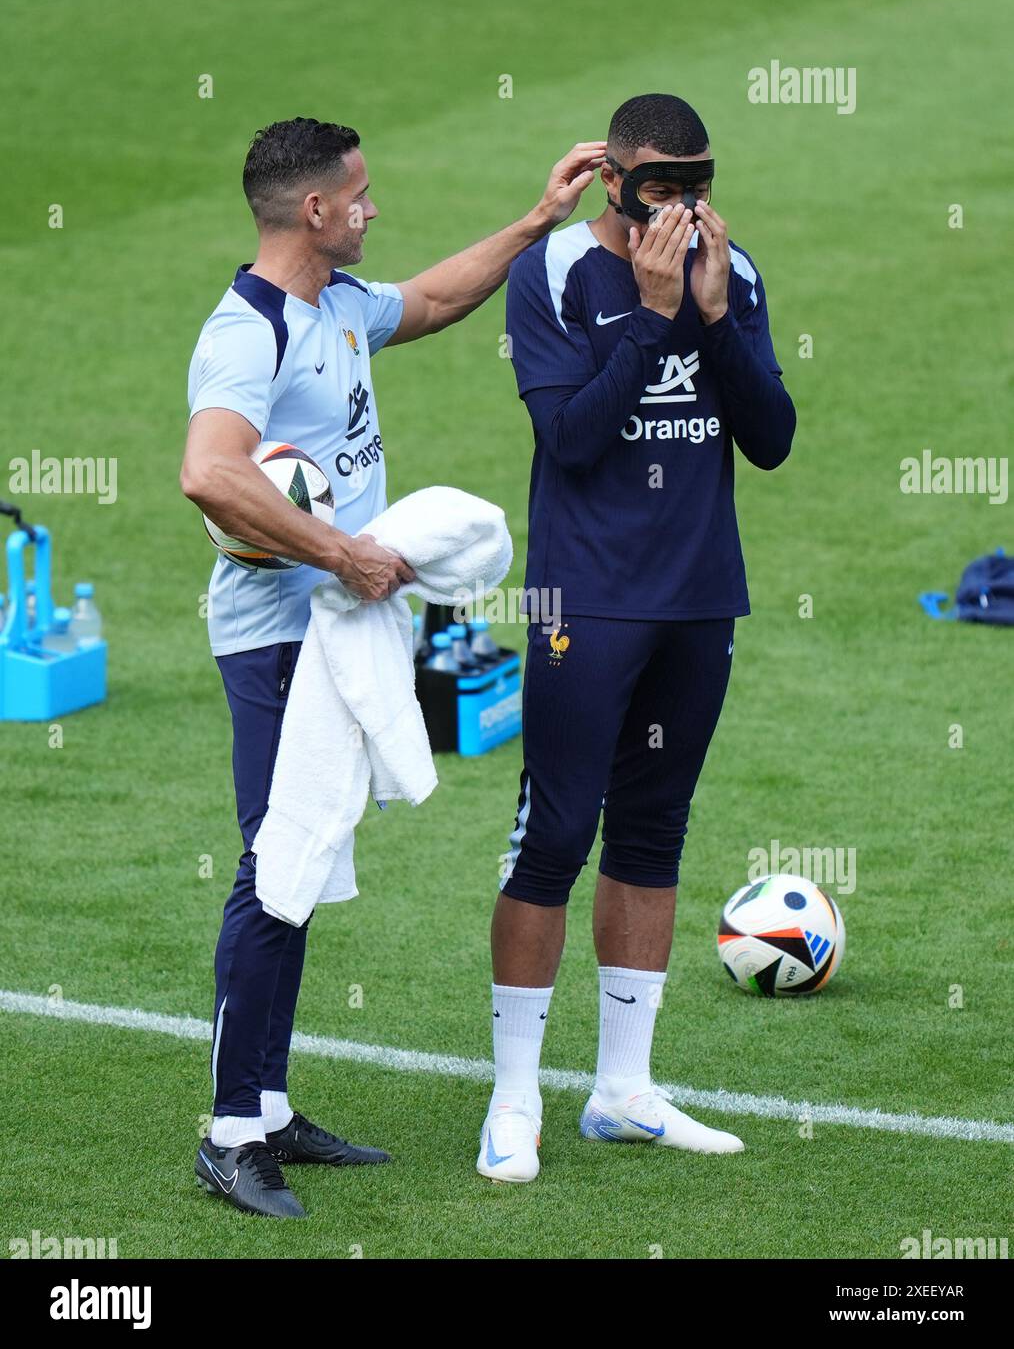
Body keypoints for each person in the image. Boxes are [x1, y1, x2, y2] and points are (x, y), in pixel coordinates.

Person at [181, 116, 605, 1218]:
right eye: (359, 196)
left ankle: (269, 1105)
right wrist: (344, 550)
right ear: (312, 210)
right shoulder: (248, 333)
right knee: (275, 866)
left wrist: (535, 220)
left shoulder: (340, 306)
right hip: (277, 635)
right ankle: (230, 1132)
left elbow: (433, 299)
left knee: (307, 858)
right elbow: (209, 475)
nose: (373, 209)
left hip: (333, 624)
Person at [478, 93, 796, 1183]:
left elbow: (772, 439)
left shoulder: (733, 272)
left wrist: (708, 315)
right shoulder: (556, 274)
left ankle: (622, 1091)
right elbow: (569, 438)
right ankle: (514, 1095)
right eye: (660, 187)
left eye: (698, 185)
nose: (682, 207)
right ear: (611, 180)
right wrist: (656, 316)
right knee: (554, 834)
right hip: (587, 603)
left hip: (698, 597)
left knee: (653, 831)